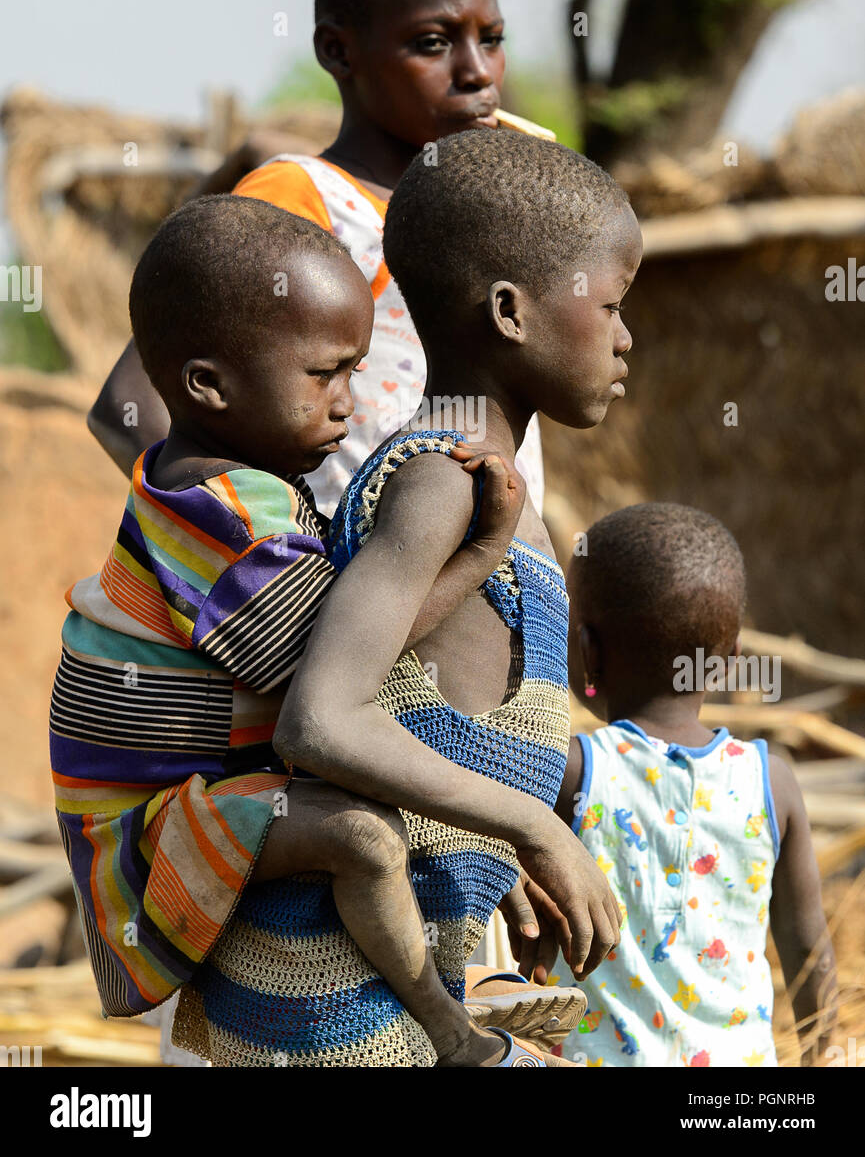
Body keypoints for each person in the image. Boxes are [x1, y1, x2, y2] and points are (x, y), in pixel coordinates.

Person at [49, 193, 574, 1068]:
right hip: (149, 836)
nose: (348, 401)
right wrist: (480, 555)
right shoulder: (220, 515)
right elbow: (332, 673)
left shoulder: (225, 488)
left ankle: (461, 988)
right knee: (360, 835)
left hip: (204, 797)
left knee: (389, 812)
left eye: (356, 370)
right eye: (324, 374)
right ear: (208, 386)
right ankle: (448, 1027)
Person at [170, 126, 640, 1067]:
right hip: (328, 1011)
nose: (628, 338)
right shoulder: (440, 481)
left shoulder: (493, 492)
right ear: (511, 312)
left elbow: (417, 719)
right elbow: (322, 723)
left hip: (389, 991)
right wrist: (535, 828)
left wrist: (487, 858)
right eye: (614, 305)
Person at [85, 0, 545, 518]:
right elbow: (125, 405)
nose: (477, 71)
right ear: (337, 50)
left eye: (492, 39)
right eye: (433, 43)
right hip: (348, 595)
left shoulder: (486, 212)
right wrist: (270, 558)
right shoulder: (302, 200)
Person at [551, 502, 838, 1067]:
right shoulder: (771, 782)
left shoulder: (575, 772)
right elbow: (810, 954)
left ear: (587, 652)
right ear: (730, 660)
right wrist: (821, 1058)